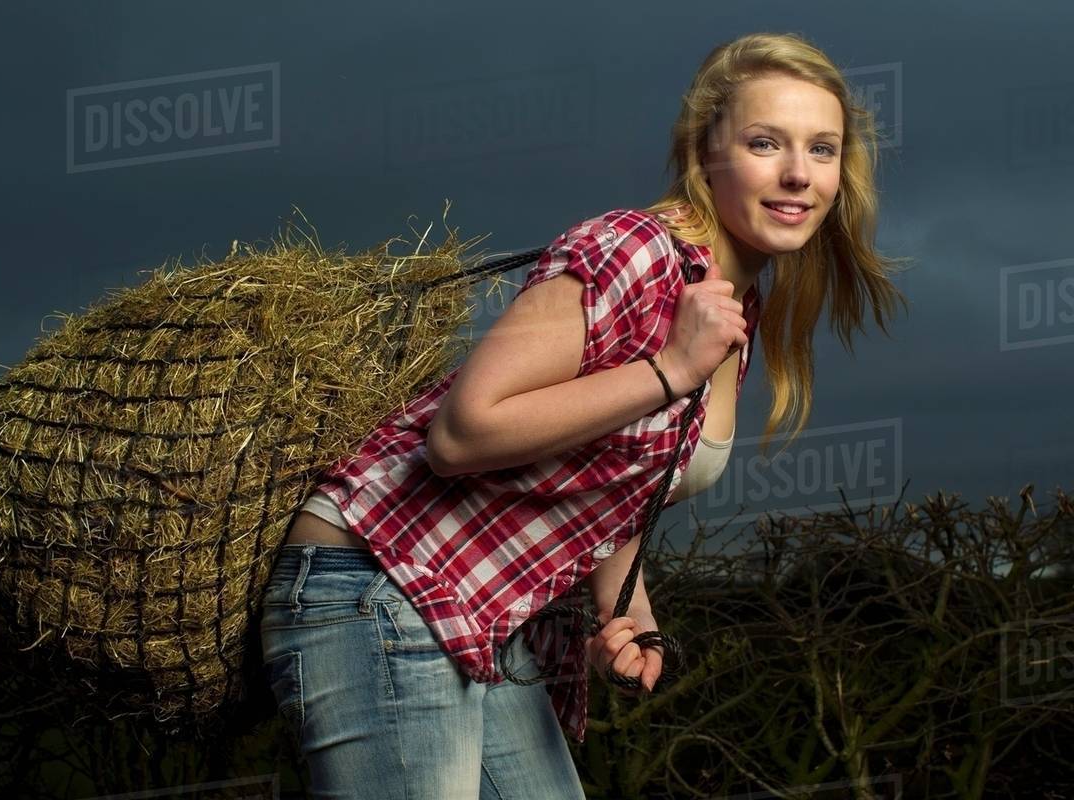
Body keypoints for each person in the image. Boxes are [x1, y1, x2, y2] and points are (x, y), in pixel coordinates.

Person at [260, 30, 908, 800]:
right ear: (706, 155)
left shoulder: (728, 304)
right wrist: (668, 369)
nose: (799, 173)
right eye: (766, 143)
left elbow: (607, 469)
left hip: (481, 609)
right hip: (381, 580)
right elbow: (463, 433)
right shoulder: (633, 248)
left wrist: (624, 608)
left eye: (823, 149)